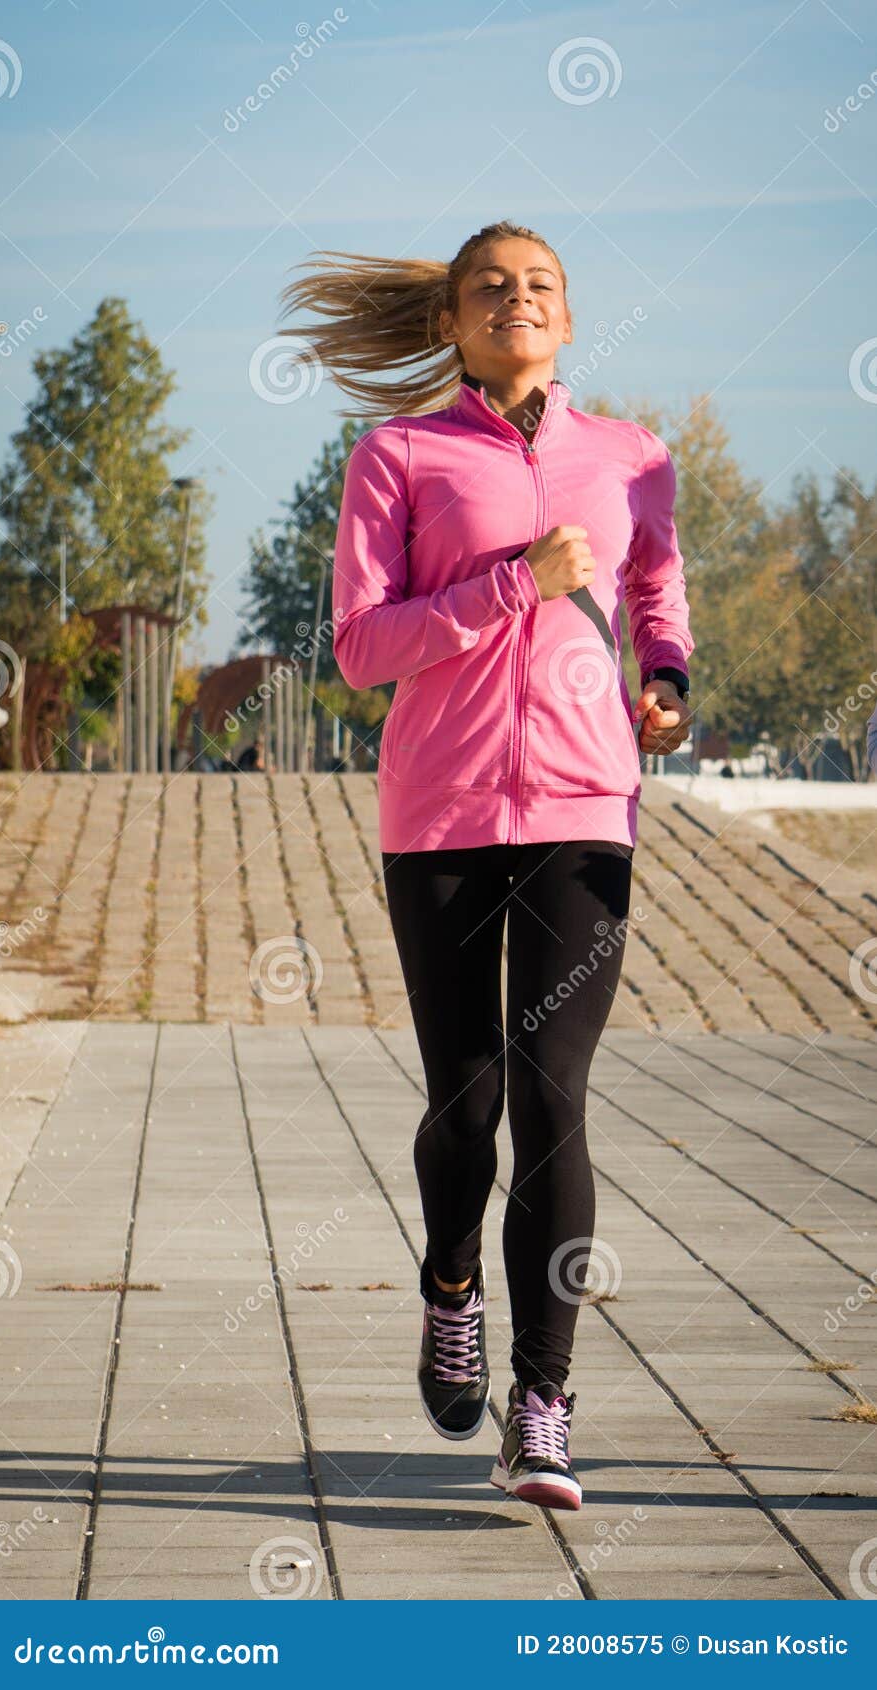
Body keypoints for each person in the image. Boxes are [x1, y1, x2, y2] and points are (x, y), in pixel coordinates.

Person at [284, 220, 694, 1511]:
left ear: (565, 318)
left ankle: (544, 1402)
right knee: (465, 1103)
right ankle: (447, 1281)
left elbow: (655, 596)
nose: (517, 301)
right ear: (453, 322)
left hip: (585, 804)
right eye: (490, 287)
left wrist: (667, 681)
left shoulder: (631, 457)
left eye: (540, 286)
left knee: (551, 1093)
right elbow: (361, 649)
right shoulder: (396, 455)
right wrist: (515, 581)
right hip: (444, 810)